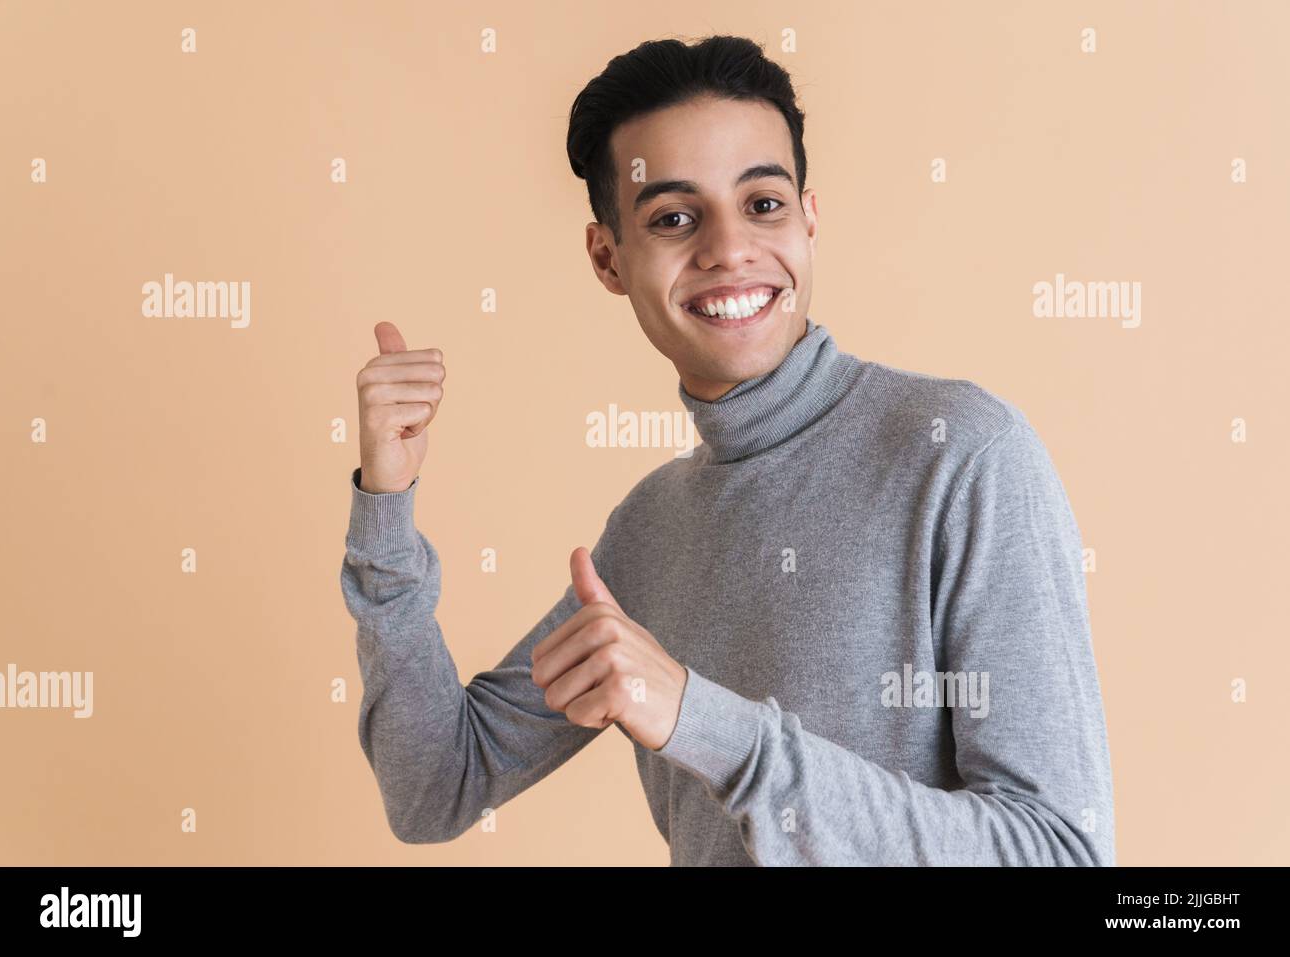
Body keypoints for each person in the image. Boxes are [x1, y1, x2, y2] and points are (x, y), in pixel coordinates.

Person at [339, 35, 1115, 866]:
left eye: (763, 204)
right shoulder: (648, 530)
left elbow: (1059, 851)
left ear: (810, 219)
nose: (728, 249)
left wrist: (702, 721)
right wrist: (386, 513)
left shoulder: (960, 454)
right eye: (674, 217)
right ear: (608, 258)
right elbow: (435, 787)